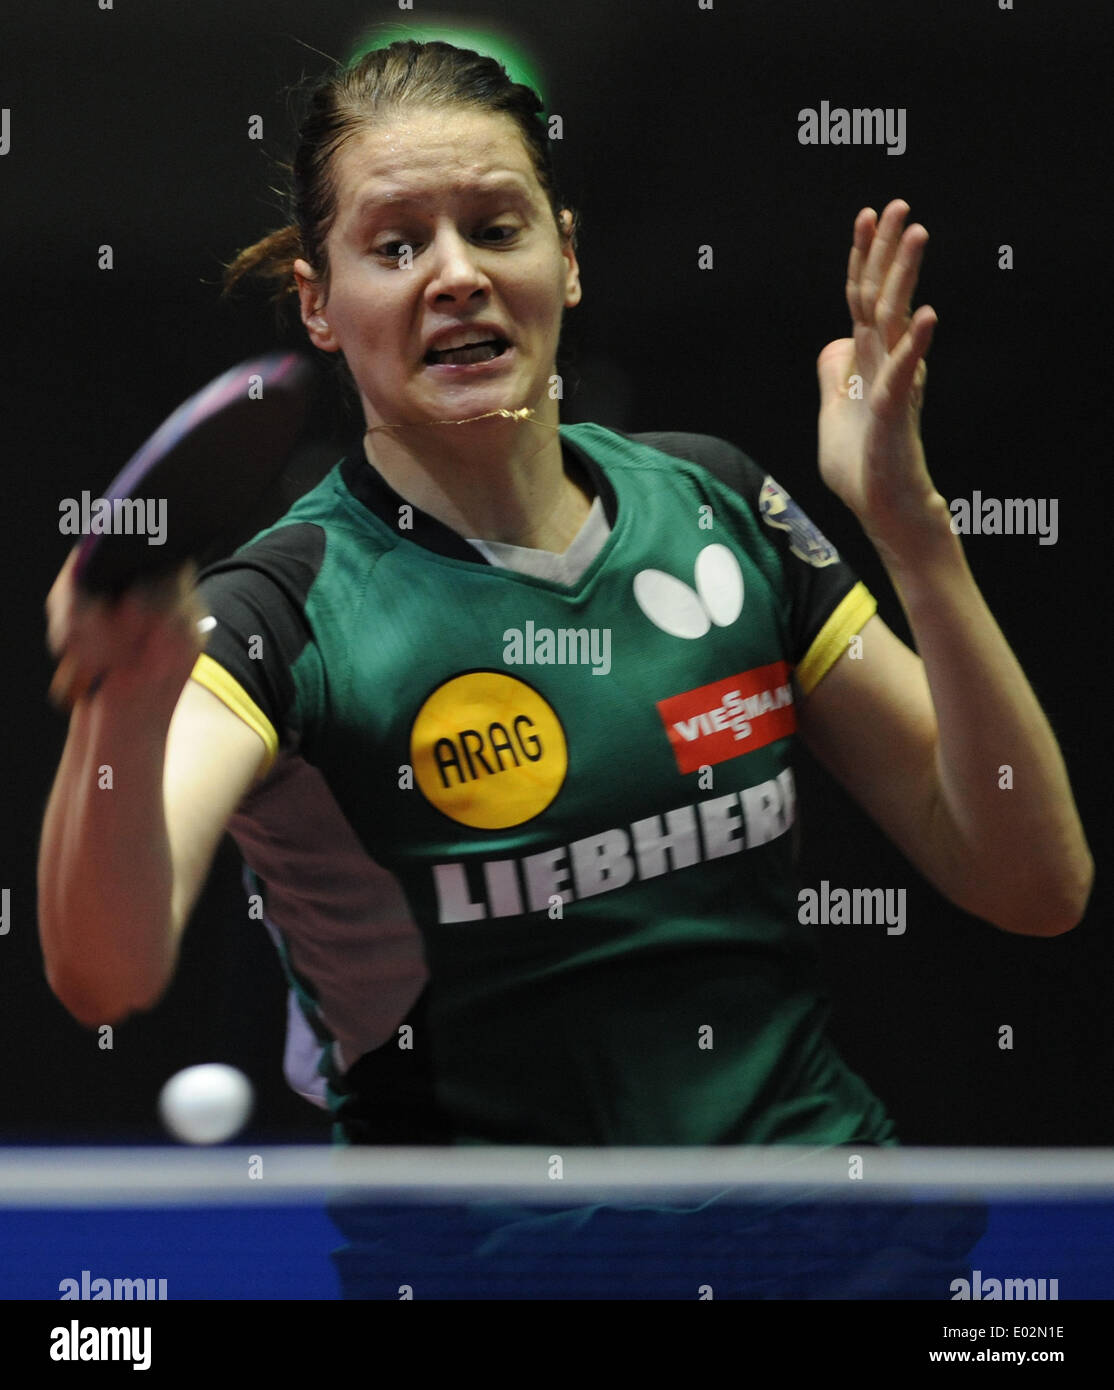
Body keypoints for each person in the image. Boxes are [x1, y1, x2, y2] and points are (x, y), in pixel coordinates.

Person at [40, 40, 1091, 1298]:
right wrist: (116, 706)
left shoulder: (716, 503)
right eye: (394, 247)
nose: (457, 276)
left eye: (496, 226)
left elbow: (1035, 879)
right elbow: (106, 968)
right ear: (319, 304)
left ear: (569, 258)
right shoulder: (280, 611)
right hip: (503, 1275)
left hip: (830, 1240)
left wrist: (913, 531)